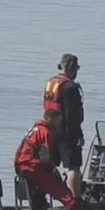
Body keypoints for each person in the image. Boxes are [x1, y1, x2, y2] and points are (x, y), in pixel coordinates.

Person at [14, 110, 79, 210]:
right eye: (59, 120)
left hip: (20, 163)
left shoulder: (34, 129)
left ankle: (40, 208)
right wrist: (54, 171)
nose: (60, 123)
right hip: (30, 164)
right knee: (55, 184)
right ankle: (72, 207)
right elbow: (45, 158)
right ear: (50, 119)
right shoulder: (45, 132)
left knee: (42, 186)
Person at [43, 53, 85, 198]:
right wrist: (78, 135)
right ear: (71, 68)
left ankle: (46, 196)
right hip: (67, 133)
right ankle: (74, 201)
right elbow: (72, 115)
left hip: (49, 131)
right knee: (74, 167)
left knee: (49, 166)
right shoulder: (70, 87)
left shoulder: (51, 83)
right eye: (76, 68)